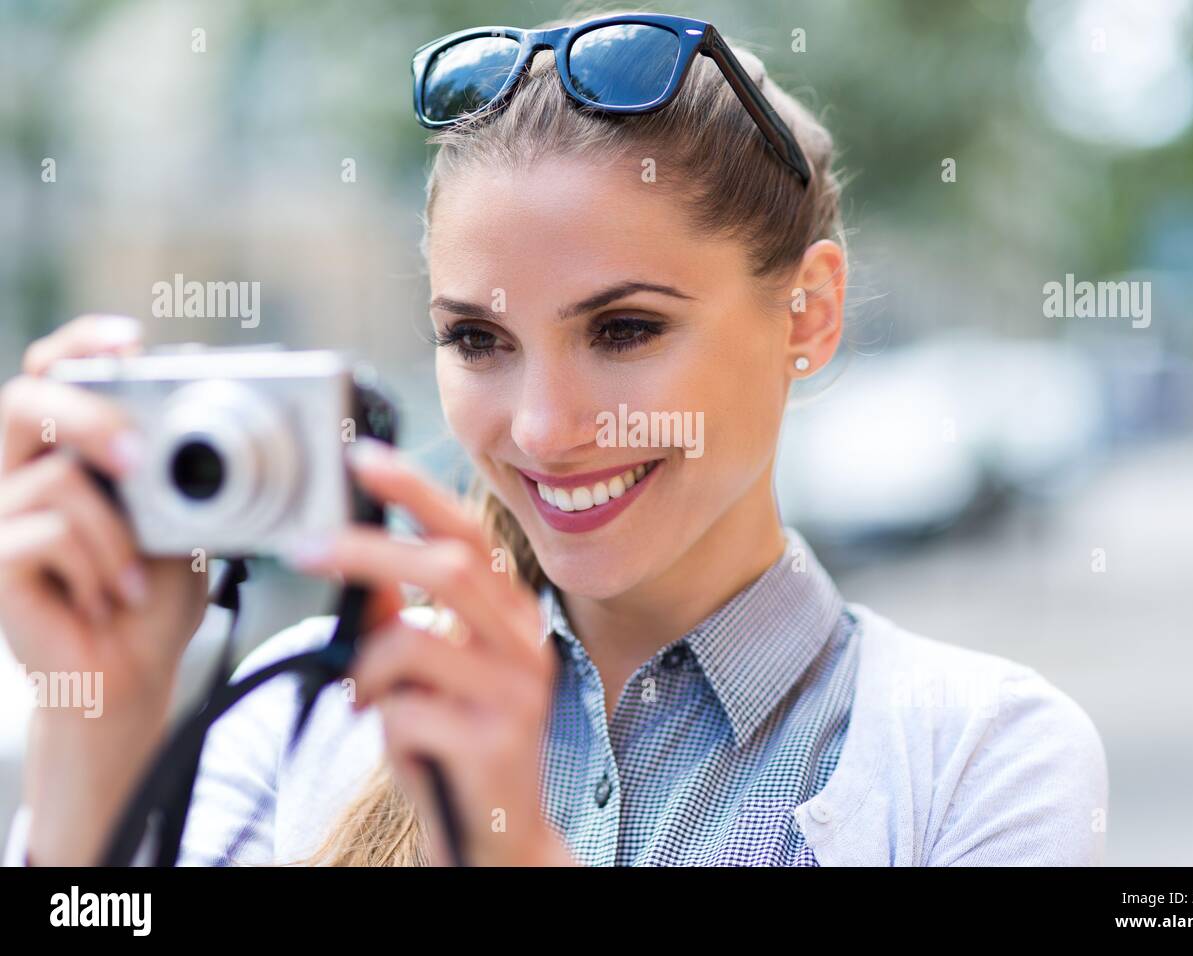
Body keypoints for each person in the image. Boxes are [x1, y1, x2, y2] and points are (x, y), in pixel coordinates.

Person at [0, 11, 1106, 867]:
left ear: (807, 314)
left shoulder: (980, 754)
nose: (541, 428)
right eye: (477, 339)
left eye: (624, 329)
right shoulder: (296, 703)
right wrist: (97, 716)